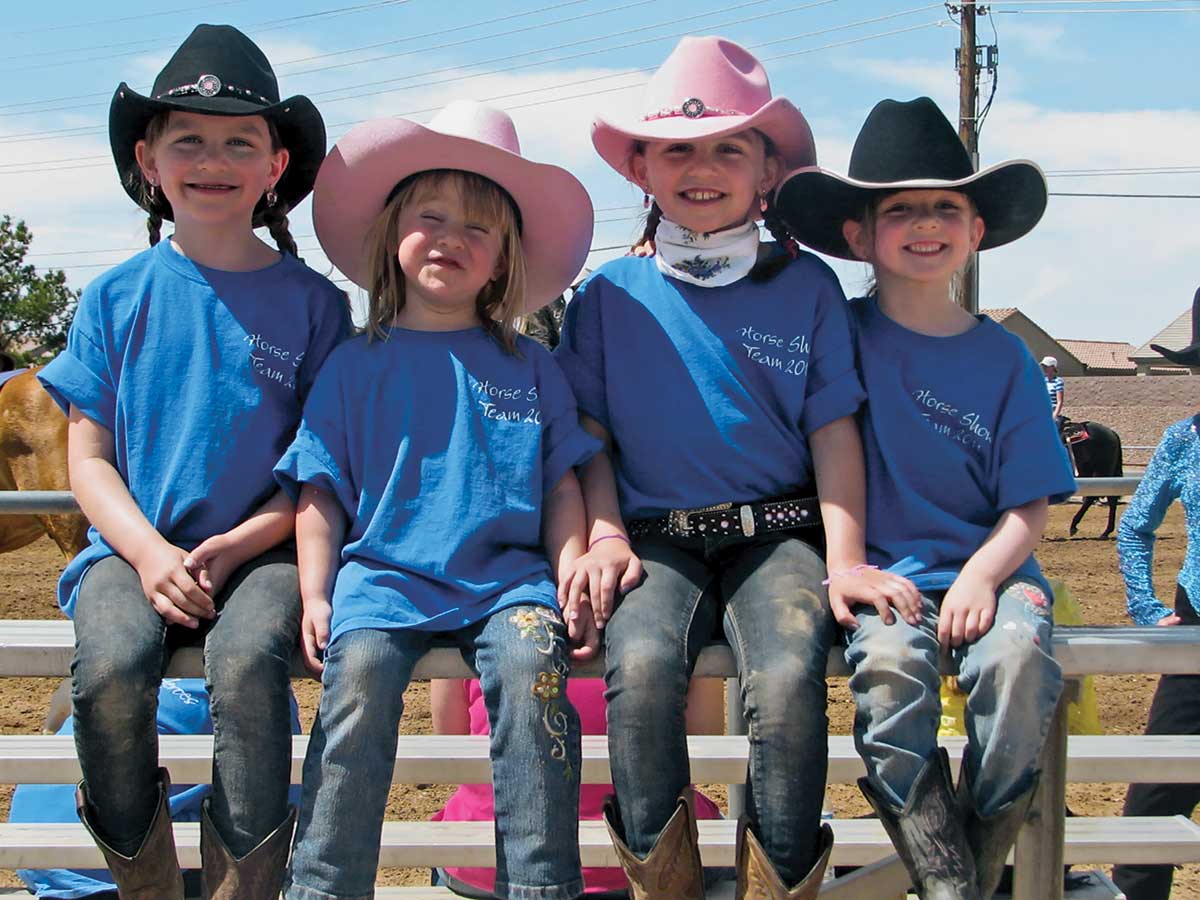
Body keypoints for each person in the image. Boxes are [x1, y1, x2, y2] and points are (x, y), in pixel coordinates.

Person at [557, 35, 906, 900]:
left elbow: (833, 433)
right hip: (653, 540)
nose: (700, 167)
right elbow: (588, 436)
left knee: (788, 678)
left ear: (767, 171)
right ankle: (660, 886)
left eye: (727, 148)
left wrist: (849, 558)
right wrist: (603, 534)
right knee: (637, 674)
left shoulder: (810, 288)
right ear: (641, 166)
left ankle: (780, 883)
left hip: (778, 536)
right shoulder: (608, 297)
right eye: (677, 148)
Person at [36, 24, 350, 900]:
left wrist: (245, 543)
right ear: (148, 159)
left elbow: (319, 469)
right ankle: (142, 882)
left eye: (240, 140)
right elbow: (89, 458)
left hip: (265, 553)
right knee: (105, 674)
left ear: (274, 166)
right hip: (130, 551)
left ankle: (244, 884)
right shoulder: (113, 297)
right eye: (189, 139)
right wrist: (146, 552)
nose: (213, 158)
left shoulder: (315, 306)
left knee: (251, 664)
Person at [277, 100, 606, 900]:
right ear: (394, 234)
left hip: (510, 582)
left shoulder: (531, 366)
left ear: (503, 260)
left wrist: (571, 570)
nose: (451, 239)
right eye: (431, 217)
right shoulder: (355, 366)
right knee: (353, 690)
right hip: (383, 578)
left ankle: (540, 885)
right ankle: (323, 886)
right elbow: (318, 489)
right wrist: (316, 592)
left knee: (535, 676)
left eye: (479, 229)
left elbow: (560, 483)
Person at [776, 97, 1076, 900]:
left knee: (1016, 659)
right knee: (890, 668)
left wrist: (982, 577)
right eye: (899, 209)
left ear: (976, 230)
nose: (925, 222)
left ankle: (968, 869)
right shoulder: (835, 334)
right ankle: (957, 885)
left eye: (947, 206)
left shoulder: (1006, 358)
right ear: (858, 235)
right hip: (884, 576)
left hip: (995, 570)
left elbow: (1031, 505)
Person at [429, 677, 726, 898]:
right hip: (639, 866)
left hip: (484, 869)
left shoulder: (476, 606)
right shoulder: (668, 614)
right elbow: (705, 743)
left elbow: (449, 744)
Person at [10, 681, 304, 900]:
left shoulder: (125, 662)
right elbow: (279, 824)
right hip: (105, 879)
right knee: (242, 841)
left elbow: (61, 709)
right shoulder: (265, 696)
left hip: (32, 849)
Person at [1110, 289, 1200, 900]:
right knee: (1151, 804)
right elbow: (1135, 526)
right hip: (1197, 631)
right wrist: (1146, 610)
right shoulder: (1183, 439)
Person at [1042, 355, 1066, 429]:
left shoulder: (1058, 381)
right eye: (1043, 366)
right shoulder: (1042, 380)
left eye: (1046, 366)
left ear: (1052, 367)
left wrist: (1054, 416)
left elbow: (1059, 402)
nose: (1044, 368)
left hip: (1052, 412)